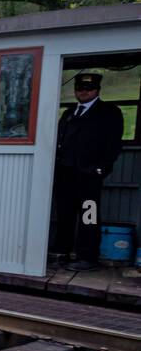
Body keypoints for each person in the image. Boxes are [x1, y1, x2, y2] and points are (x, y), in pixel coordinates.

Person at [51, 72, 124, 271]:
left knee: (88, 215)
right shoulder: (70, 113)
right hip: (66, 173)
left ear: (97, 90)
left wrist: (100, 169)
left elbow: (114, 144)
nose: (83, 92)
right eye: (79, 89)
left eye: (88, 89)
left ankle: (87, 256)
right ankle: (62, 251)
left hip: (89, 175)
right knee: (65, 214)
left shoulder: (109, 112)